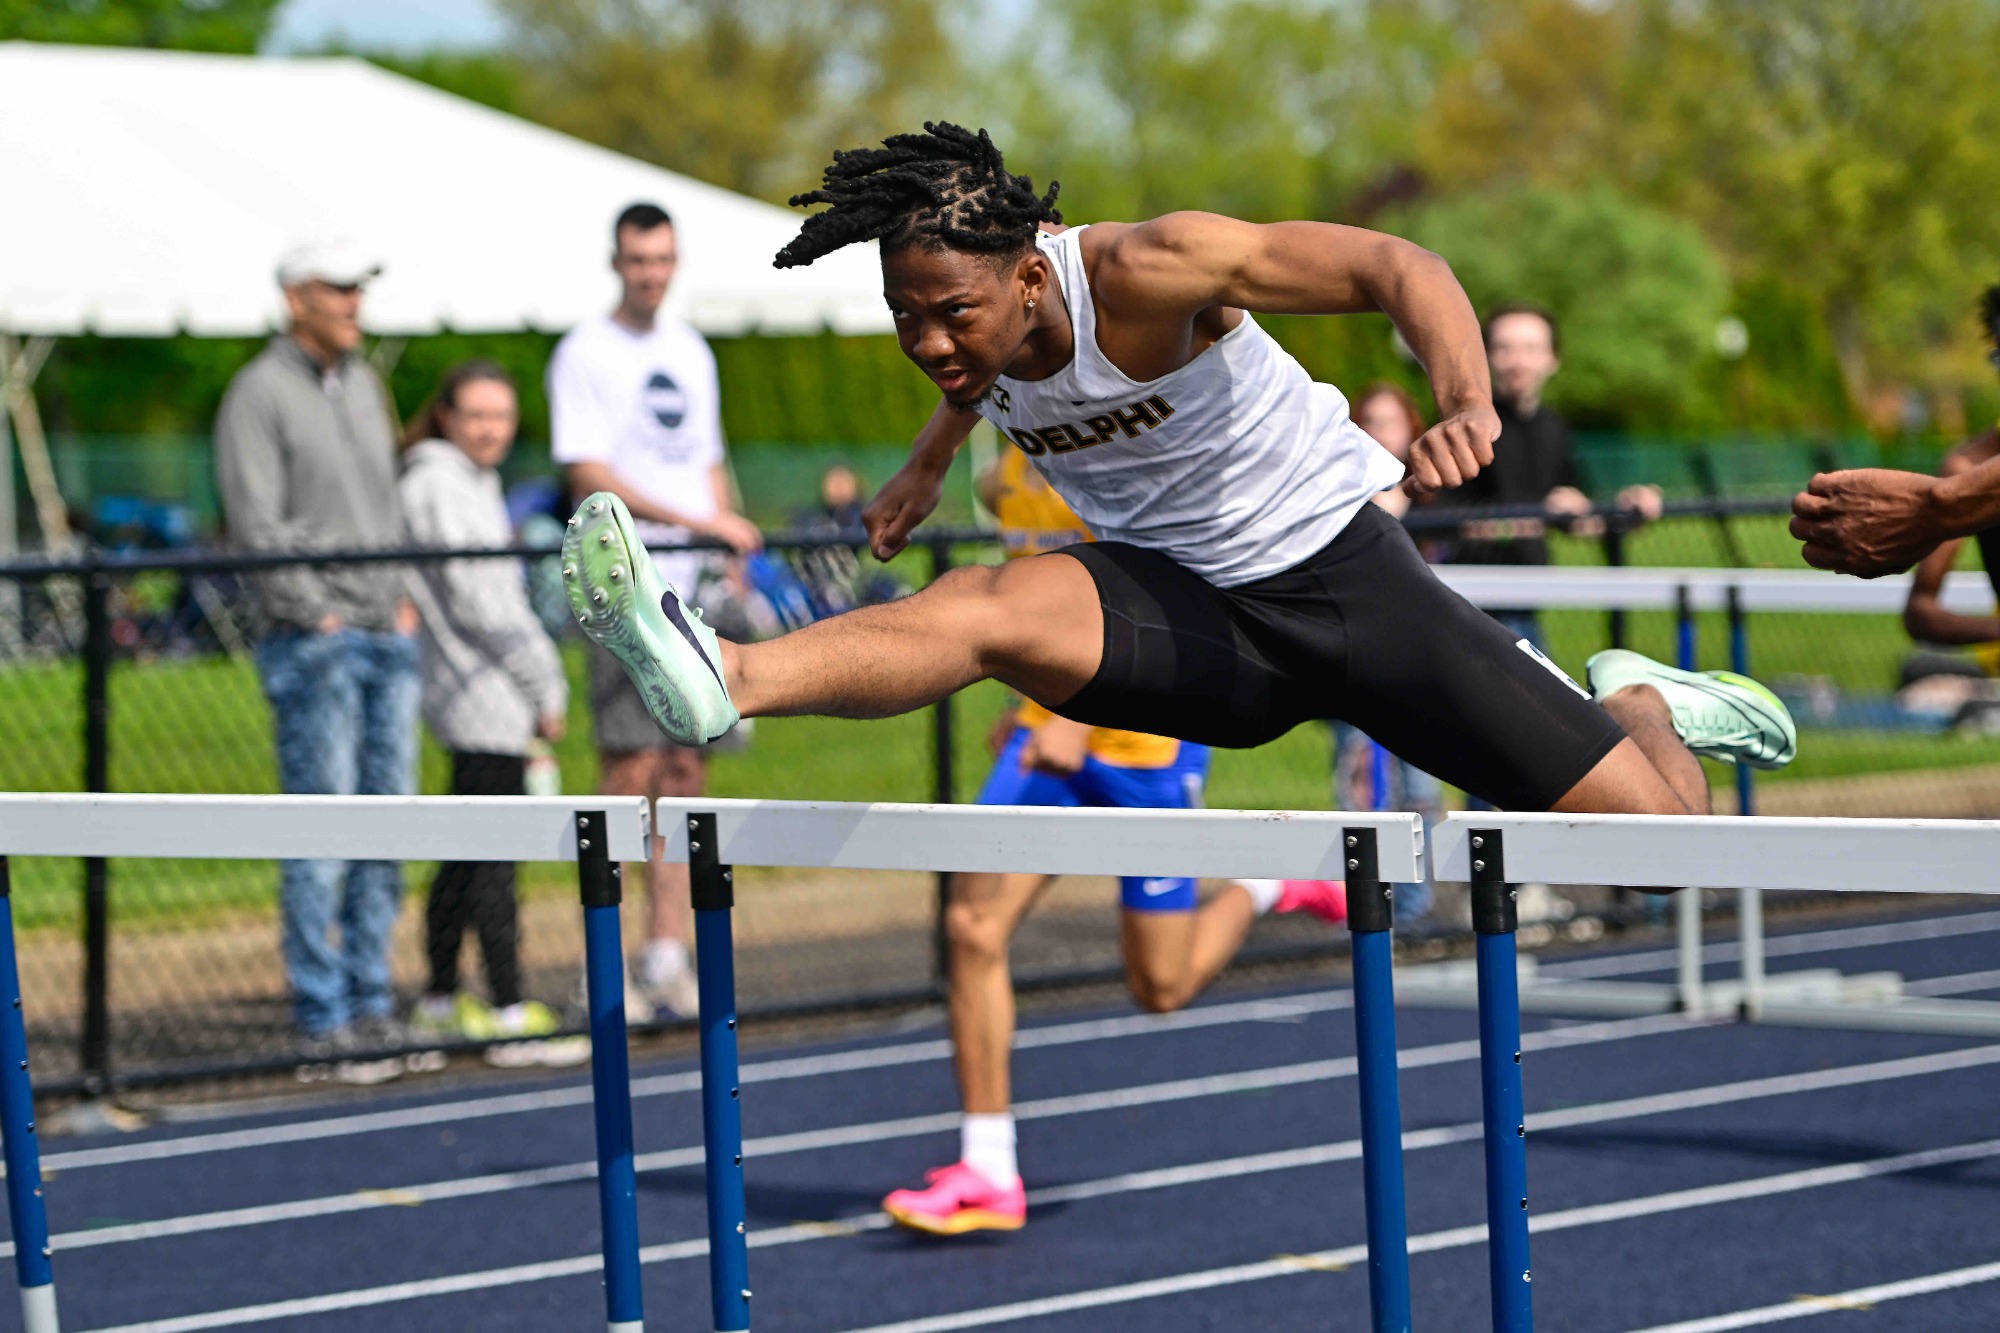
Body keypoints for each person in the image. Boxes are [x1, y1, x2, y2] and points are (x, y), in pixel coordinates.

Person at [567, 118, 1797, 1050]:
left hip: (1340, 581)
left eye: (950, 313)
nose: (931, 343)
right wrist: (920, 468)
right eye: (904, 319)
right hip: (1188, 606)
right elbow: (975, 386)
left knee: (1664, 854)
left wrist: (1464, 398)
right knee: (995, 612)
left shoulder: (1153, 273)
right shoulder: (972, 342)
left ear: (1033, 274)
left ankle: (1631, 696)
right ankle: (722, 673)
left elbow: (1393, 262)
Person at [874, 437, 1345, 1234]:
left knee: (1160, 987)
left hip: (1142, 741)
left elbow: (1143, 577)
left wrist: (1063, 712)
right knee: (972, 923)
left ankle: (1266, 885)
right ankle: (989, 1167)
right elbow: (1020, 567)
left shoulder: (1093, 443)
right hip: (1050, 740)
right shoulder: (1005, 458)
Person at [548, 201, 763, 1018]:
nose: (652, 273)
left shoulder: (691, 350)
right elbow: (587, 473)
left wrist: (727, 542)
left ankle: (668, 952)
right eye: (639, 260)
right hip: (622, 595)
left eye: (663, 259)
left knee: (685, 770)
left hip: (689, 591)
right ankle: (606, 960)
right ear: (617, 262)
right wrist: (694, 521)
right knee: (626, 774)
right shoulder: (585, 352)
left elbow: (707, 462)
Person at [215, 238, 420, 1059]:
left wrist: (398, 597)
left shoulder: (366, 383)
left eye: (357, 291)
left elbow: (387, 501)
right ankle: (322, 1011)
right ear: (297, 296)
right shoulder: (256, 395)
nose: (353, 306)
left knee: (388, 827)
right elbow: (256, 526)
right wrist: (317, 613)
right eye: (339, 291)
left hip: (384, 634)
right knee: (323, 829)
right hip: (317, 643)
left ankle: (372, 998)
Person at [400, 361, 570, 1050]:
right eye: (477, 414)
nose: (491, 428)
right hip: (480, 692)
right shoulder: (438, 485)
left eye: (502, 415)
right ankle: (505, 1005)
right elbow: (482, 603)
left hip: (485, 688)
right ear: (446, 416)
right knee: (492, 852)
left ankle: (442, 995)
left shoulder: (469, 481)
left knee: (467, 851)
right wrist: (544, 681)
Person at [1433, 305, 1663, 649]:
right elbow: (1439, 520)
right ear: (1487, 357)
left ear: (1552, 359)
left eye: (1530, 349)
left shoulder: (1554, 427)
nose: (1517, 361)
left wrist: (1627, 511)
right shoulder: (1462, 426)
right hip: (1470, 602)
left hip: (1527, 601)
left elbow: (1576, 517)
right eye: (1504, 348)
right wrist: (1538, 514)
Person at [1332, 383, 1445, 921]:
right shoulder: (1338, 487)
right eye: (1370, 420)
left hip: (1422, 662)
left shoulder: (1431, 493)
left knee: (1421, 785)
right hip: (1356, 661)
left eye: (1391, 420)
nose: (1380, 431)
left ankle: (1417, 907)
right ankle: (1366, 904)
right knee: (1359, 788)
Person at [1799, 287, 2000, 579]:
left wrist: (1932, 508)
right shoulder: (1967, 462)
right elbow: (1921, 611)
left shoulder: (1949, 494)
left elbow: (1935, 506)